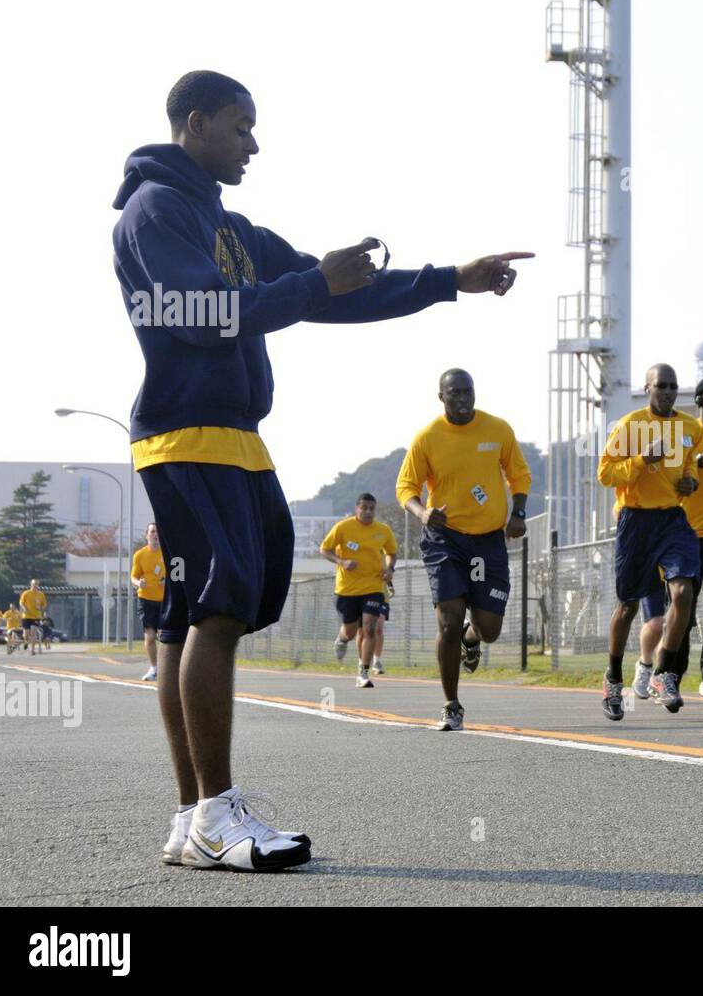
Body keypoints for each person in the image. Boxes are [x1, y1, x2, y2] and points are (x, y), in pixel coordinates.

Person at [112, 70, 531, 871]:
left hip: (230, 437)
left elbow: (332, 295)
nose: (253, 143)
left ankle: (192, 817)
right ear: (194, 124)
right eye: (241, 127)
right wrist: (310, 282)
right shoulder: (155, 212)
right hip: (187, 434)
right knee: (218, 612)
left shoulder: (227, 224)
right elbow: (204, 316)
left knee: (194, 617)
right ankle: (214, 813)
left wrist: (450, 281)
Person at [397, 369, 530, 731]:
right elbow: (406, 487)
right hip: (446, 540)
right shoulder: (427, 438)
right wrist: (423, 512)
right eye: (454, 392)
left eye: (467, 391)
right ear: (441, 397)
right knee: (449, 619)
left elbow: (519, 475)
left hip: (487, 540)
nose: (462, 398)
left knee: (489, 629)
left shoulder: (497, 429)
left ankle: (473, 639)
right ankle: (451, 704)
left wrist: (517, 513)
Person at [634, 373, 703, 703]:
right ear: (699, 401)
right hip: (682, 531)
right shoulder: (686, 431)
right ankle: (668, 675)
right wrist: (701, 461)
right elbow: (672, 473)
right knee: (680, 605)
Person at [597, 364, 702, 719]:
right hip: (636, 520)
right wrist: (643, 459)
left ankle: (664, 674)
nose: (668, 391)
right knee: (627, 606)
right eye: (661, 386)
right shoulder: (630, 426)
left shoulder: (690, 428)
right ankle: (613, 678)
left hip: (672, 518)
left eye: (673, 386)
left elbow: (689, 469)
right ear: (647, 389)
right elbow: (605, 473)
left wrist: (691, 482)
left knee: (684, 593)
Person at [321, 494, 397, 688]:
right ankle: (342, 638)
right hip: (346, 589)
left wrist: (389, 569)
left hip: (373, 587)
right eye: (364, 508)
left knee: (370, 628)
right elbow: (325, 549)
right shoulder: (343, 527)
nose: (368, 512)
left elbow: (391, 553)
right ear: (357, 509)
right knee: (351, 632)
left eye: (372, 508)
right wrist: (341, 562)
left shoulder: (383, 531)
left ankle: (363, 673)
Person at [131, 522, 166, 681]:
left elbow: (179, 576)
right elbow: (133, 577)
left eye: (158, 532)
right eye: (152, 532)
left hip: (165, 601)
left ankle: (167, 668)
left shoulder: (169, 553)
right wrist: (139, 583)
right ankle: (154, 668)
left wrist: (170, 582)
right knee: (150, 636)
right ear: (147, 535)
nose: (155, 535)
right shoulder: (139, 555)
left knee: (166, 637)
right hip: (145, 599)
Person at [19, 580, 48, 654]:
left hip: (36, 617)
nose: (35, 586)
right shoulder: (26, 593)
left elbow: (44, 605)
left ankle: (32, 650)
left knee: (33, 632)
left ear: (38, 585)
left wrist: (41, 608)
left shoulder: (41, 594)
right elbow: (21, 602)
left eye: (36, 584)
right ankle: (26, 641)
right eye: (33, 584)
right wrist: (24, 608)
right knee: (26, 634)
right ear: (31, 585)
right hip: (26, 616)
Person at [373, 581, 393, 675]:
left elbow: (387, 570)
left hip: (382, 598)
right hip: (365, 594)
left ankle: (376, 661)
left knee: (378, 629)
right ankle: (362, 663)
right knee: (363, 631)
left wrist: (390, 586)